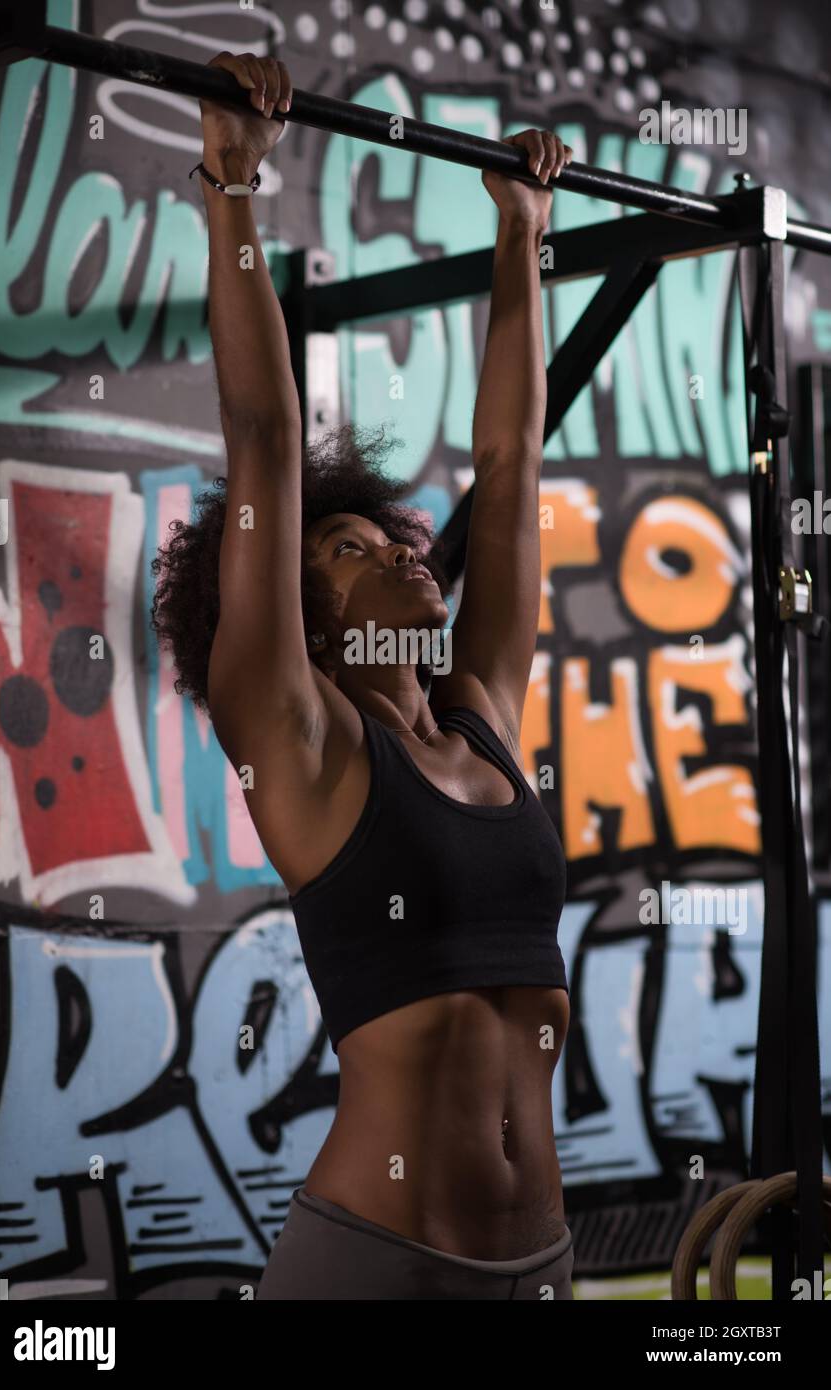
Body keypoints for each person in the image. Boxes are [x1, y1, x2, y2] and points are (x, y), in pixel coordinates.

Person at [151, 50, 574, 1300]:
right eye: (353, 549)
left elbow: (510, 467)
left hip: (542, 1259)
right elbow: (266, 441)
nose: (404, 552)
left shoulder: (482, 715)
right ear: (308, 617)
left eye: (399, 539)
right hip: (378, 1264)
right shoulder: (303, 742)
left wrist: (521, 237)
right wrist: (231, 186)